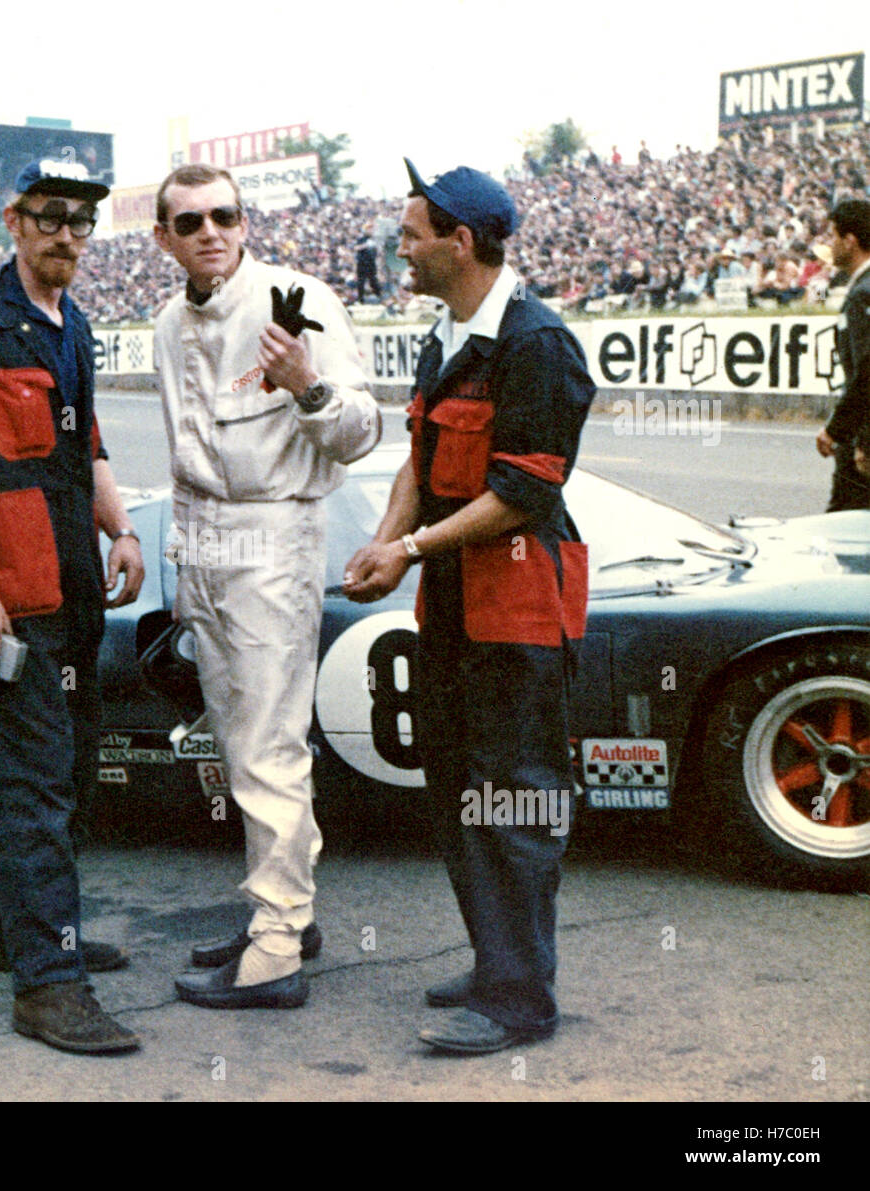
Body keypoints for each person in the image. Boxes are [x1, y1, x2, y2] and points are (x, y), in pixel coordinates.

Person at [343, 159, 594, 1055]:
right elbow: (419, 461)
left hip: (517, 605)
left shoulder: (538, 344)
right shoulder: (444, 338)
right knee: (459, 791)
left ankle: (522, 997)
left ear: (459, 241)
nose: (399, 250)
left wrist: (408, 550)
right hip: (450, 603)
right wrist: (385, 540)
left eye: (411, 236)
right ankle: (497, 961)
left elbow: (524, 492)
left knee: (514, 796)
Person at [0, 159, 145, 1055]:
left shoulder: (72, 323)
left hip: (74, 586)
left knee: (66, 771)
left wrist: (122, 528)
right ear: (13, 220)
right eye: (51, 217)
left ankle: (18, 932)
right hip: (14, 594)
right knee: (35, 784)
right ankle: (48, 984)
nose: (67, 235)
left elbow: (88, 445)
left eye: (82, 221)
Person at [151, 162, 380, 1010]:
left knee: (267, 749)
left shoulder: (299, 298)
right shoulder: (167, 322)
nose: (210, 231)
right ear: (164, 238)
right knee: (240, 742)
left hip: (276, 533)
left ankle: (277, 946)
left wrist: (306, 385)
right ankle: (286, 912)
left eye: (225, 215)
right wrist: (184, 567)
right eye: (189, 222)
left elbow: (361, 432)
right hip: (205, 541)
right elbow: (182, 457)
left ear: (245, 223)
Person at [817, 199, 870, 510]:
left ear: (850, 240)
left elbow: (867, 370)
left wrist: (841, 429)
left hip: (862, 440)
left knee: (842, 523)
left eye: (832, 236)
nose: (829, 244)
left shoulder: (863, 293)